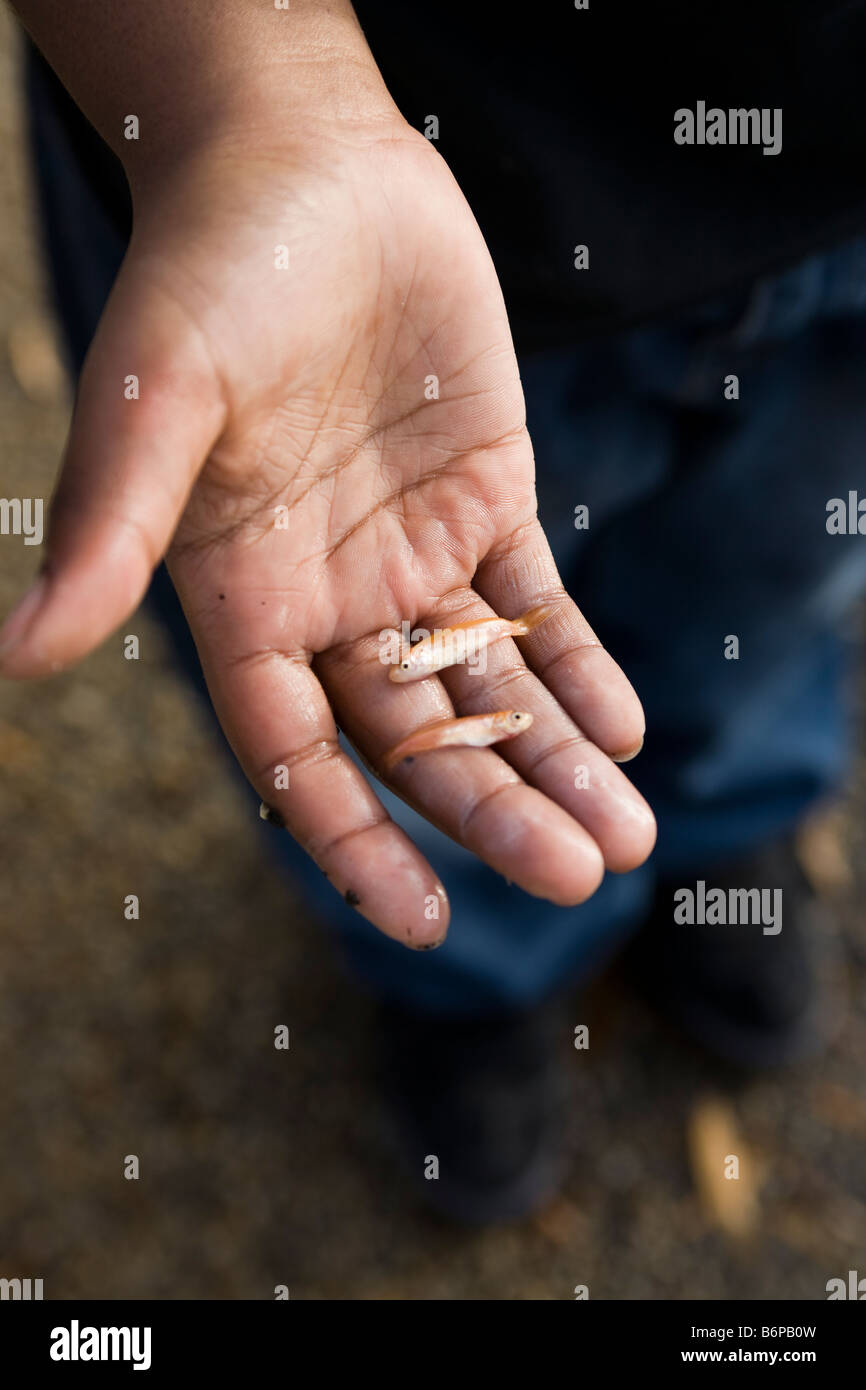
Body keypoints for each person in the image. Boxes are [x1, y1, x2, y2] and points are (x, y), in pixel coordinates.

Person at [5, 1, 866, 1222]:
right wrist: (245, 104)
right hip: (400, 270)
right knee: (387, 713)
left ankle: (723, 822)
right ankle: (475, 976)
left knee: (775, 582)